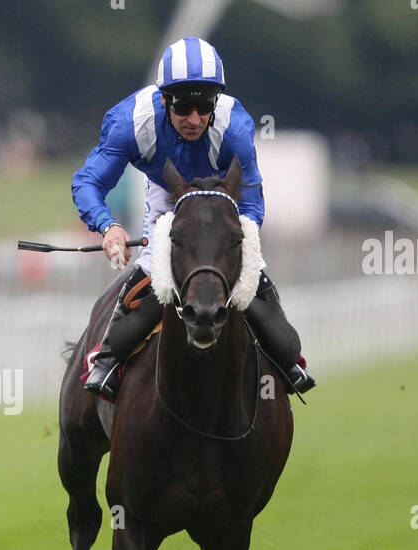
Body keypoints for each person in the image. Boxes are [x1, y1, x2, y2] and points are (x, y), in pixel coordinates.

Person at [73, 37, 314, 398]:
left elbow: (251, 202)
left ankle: (289, 361)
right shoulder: (129, 122)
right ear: (164, 99)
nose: (195, 119)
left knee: (251, 270)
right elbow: (88, 182)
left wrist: (239, 243)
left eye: (204, 106)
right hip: (167, 190)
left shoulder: (235, 128)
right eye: (184, 106)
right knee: (156, 268)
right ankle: (106, 358)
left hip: (221, 195)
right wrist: (109, 227)